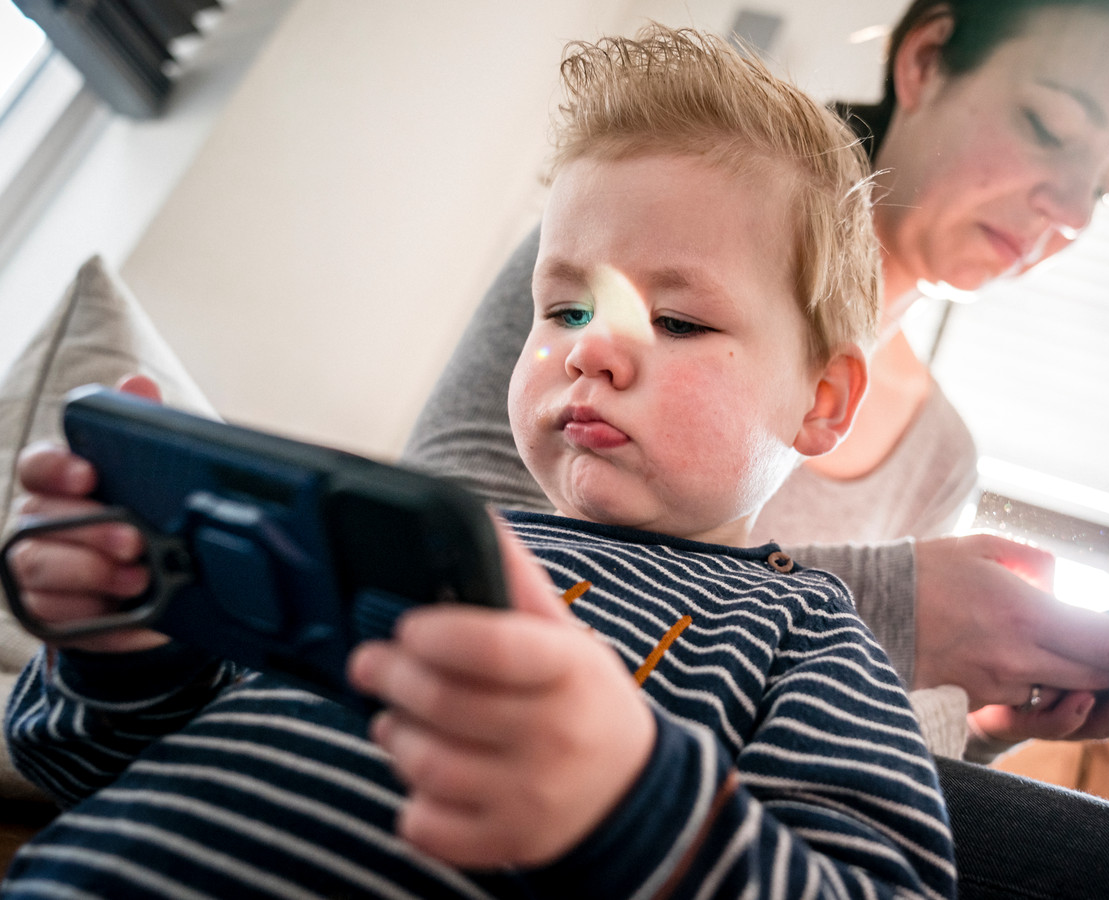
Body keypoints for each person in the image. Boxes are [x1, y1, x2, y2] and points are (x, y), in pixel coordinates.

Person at [400, 1, 1109, 897]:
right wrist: (899, 605)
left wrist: (973, 719)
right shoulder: (621, 248)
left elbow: (849, 779)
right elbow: (451, 544)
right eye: (1050, 127)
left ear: (826, 402)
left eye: (1107, 183)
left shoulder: (940, 458)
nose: (1072, 208)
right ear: (924, 60)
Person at [2, 25, 958, 899]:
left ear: (821, 403)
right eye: (564, 309)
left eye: (677, 320)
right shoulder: (394, 542)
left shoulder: (805, 640)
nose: (591, 350)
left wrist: (636, 804)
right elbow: (86, 763)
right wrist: (123, 650)